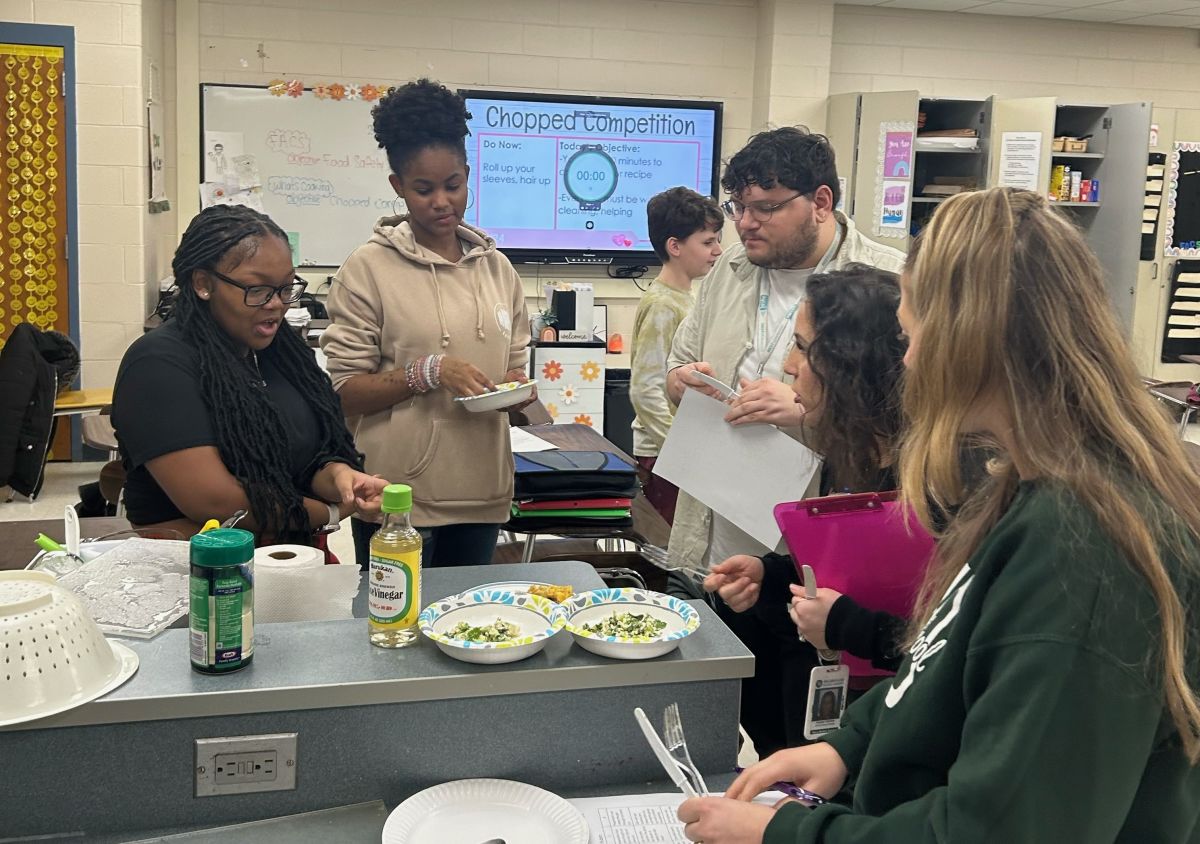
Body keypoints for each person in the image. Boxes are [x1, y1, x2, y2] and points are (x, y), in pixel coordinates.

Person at [678, 188, 1200, 842]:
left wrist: (776, 834)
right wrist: (850, 747)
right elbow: (943, 656)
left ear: (965, 341)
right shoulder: (1029, 486)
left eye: (913, 328)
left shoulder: (1084, 550)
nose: (908, 357)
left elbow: (997, 829)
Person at [664, 126, 906, 578]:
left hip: (815, 545)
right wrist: (680, 381)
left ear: (820, 202)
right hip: (717, 528)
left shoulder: (886, 281)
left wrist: (810, 411)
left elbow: (911, 419)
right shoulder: (730, 270)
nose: (744, 223)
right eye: (738, 206)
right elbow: (679, 363)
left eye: (765, 208)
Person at [320, 78, 532, 569]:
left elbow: (513, 374)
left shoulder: (498, 270)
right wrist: (428, 372)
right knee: (394, 631)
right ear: (397, 187)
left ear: (467, 173)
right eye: (423, 189)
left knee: (469, 625)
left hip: (483, 492)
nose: (442, 201)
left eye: (453, 185)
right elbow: (344, 390)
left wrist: (517, 391)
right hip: (396, 500)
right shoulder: (367, 269)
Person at [702, 265, 909, 755]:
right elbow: (839, 573)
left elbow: (945, 640)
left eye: (801, 346)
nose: (788, 366)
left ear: (847, 363)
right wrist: (769, 576)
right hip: (818, 709)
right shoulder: (850, 448)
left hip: (883, 729)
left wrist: (844, 625)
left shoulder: (932, 481)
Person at [112, 205, 388, 543]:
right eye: (257, 290)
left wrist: (342, 479)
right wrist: (328, 513)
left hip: (284, 566)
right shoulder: (158, 364)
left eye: (286, 287)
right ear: (203, 283)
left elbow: (307, 453)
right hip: (197, 576)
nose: (277, 304)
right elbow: (215, 501)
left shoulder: (280, 354)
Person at [630, 187, 723, 524]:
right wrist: (680, 451)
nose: (718, 250)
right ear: (675, 246)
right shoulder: (662, 305)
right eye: (708, 242)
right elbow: (646, 390)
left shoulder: (689, 298)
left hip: (681, 451)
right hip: (664, 454)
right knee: (667, 548)